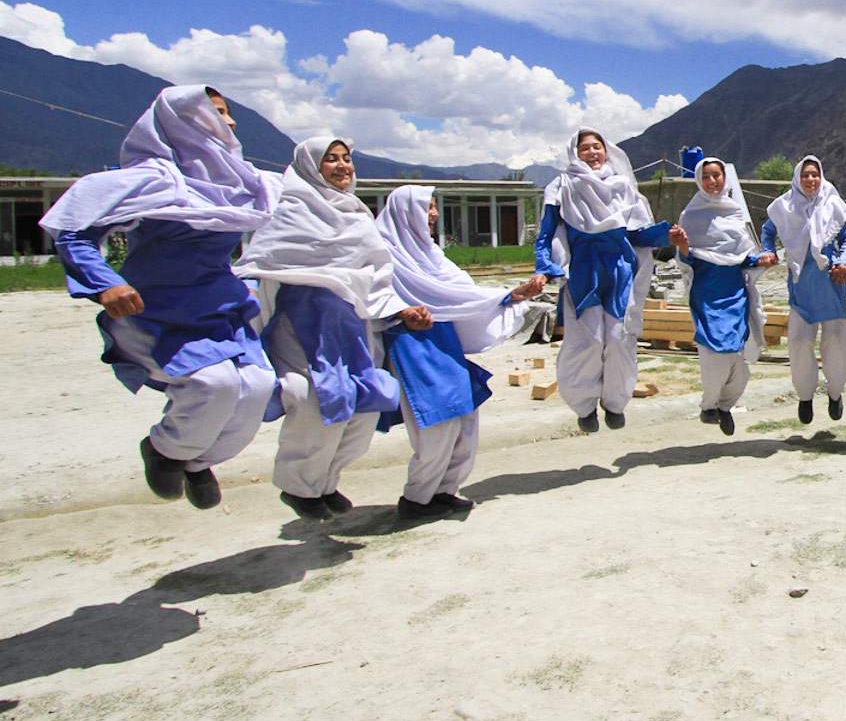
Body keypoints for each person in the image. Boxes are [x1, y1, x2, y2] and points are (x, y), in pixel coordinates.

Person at [42, 85, 279, 509]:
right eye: (219, 113)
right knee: (215, 384)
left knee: (259, 387)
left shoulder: (243, 182)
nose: (231, 122)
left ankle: (193, 460)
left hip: (221, 303)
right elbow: (76, 232)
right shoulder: (151, 179)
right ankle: (164, 450)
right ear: (188, 120)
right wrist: (104, 283)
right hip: (161, 307)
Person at [233, 138, 433, 521]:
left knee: (364, 405)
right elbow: (260, 263)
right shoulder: (290, 210)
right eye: (331, 159)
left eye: (346, 159)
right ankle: (299, 486)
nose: (342, 166)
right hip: (304, 323)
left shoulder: (356, 215)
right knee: (315, 403)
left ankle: (324, 482)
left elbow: (375, 279)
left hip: (353, 325)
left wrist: (400, 311)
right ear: (311, 166)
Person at [375, 186, 545, 521]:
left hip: (443, 340)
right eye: (427, 207)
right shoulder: (381, 254)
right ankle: (416, 498)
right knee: (436, 423)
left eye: (435, 207)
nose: (434, 214)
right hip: (409, 343)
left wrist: (511, 295)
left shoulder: (431, 254)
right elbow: (373, 298)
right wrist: (400, 313)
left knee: (465, 419)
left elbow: (463, 293)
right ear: (405, 212)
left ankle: (443, 490)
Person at [534, 130, 678, 432]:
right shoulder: (561, 186)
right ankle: (584, 406)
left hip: (619, 271)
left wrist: (668, 235)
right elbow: (546, 233)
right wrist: (544, 267)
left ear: (607, 151)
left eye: (596, 147)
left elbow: (637, 234)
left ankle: (615, 402)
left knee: (618, 338)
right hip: (584, 273)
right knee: (587, 341)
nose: (592, 153)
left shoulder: (624, 187)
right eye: (584, 148)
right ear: (575, 153)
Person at [674, 158, 776, 434]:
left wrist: (760, 262)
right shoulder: (691, 215)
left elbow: (743, 256)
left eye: (716, 176)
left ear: (724, 177)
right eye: (706, 177)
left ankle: (724, 405)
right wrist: (683, 247)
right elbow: (686, 262)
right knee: (713, 353)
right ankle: (709, 405)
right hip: (706, 294)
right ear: (698, 180)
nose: (712, 182)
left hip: (735, 294)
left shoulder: (733, 212)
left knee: (737, 356)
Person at [761, 156, 846, 424]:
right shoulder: (784, 207)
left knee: (835, 342)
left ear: (821, 176)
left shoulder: (833, 204)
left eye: (814, 175)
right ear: (797, 179)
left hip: (831, 282)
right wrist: (768, 251)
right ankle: (805, 396)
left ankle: (835, 393)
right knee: (800, 343)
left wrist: (845, 261)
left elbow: (845, 240)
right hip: (801, 283)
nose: (810, 180)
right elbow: (768, 232)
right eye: (805, 175)